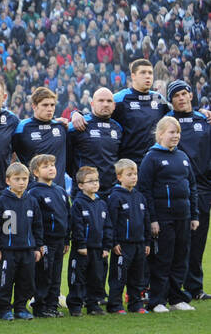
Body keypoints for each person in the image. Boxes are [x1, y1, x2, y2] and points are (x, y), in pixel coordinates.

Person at [138, 116, 201, 313]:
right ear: (160, 134)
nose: (175, 136)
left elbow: (192, 187)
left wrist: (194, 215)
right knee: (162, 260)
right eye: (171, 132)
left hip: (183, 216)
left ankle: (176, 298)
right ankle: (157, 301)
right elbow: (145, 190)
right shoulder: (151, 158)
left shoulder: (182, 157)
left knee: (180, 258)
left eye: (178, 132)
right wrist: (153, 219)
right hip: (163, 218)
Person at [167, 80, 211, 301]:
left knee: (198, 241)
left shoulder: (204, 120)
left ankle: (195, 287)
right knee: (176, 243)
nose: (181, 98)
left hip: (202, 189)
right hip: (177, 190)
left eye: (184, 93)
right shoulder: (166, 122)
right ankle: (173, 287)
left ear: (191, 95)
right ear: (171, 100)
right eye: (176, 95)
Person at [0, 162, 46, 320]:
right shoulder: (2, 201)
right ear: (8, 181)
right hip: (8, 250)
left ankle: (21, 307)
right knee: (5, 281)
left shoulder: (32, 201)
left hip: (28, 249)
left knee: (26, 281)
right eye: (17, 179)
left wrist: (37, 247)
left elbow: (37, 225)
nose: (21, 182)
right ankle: (4, 309)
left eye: (24, 179)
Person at [27, 154, 70, 318]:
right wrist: (38, 243)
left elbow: (67, 215)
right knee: (44, 274)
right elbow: (34, 220)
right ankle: (40, 306)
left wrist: (67, 238)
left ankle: (52, 305)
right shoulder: (33, 192)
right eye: (46, 166)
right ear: (36, 172)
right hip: (45, 240)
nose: (51, 168)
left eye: (52, 165)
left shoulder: (60, 191)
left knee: (56, 274)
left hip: (60, 240)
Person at [107, 159, 151, 313]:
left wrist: (147, 242)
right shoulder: (115, 197)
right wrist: (114, 242)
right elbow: (111, 221)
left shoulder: (140, 197)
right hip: (123, 245)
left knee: (137, 277)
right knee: (118, 277)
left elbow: (146, 221)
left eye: (135, 174)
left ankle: (136, 304)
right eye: (129, 174)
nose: (134, 177)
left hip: (139, 244)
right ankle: (115, 305)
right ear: (119, 177)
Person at [68, 166, 112, 316]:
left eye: (96, 180)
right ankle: (75, 305)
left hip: (98, 248)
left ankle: (93, 304)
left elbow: (107, 226)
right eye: (90, 181)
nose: (95, 184)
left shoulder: (102, 204)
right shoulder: (78, 204)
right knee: (78, 278)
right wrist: (80, 244)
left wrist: (106, 246)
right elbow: (77, 226)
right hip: (83, 249)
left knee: (96, 277)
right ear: (80, 186)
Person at [66, 87, 122, 192]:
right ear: (92, 104)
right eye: (101, 100)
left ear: (114, 106)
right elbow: (66, 160)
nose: (105, 104)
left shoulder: (118, 128)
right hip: (84, 193)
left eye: (109, 101)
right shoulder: (77, 126)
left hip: (111, 190)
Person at [13, 89, 69, 188]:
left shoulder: (61, 127)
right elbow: (11, 155)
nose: (50, 109)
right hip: (32, 190)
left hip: (59, 190)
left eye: (52, 105)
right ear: (34, 106)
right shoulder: (22, 128)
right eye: (45, 105)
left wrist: (77, 113)